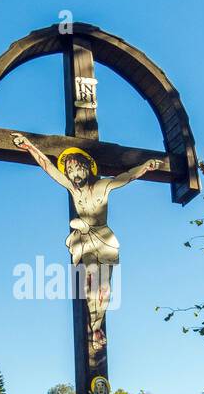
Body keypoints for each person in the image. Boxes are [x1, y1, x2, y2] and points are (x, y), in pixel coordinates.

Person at [11, 132, 162, 347]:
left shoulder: (103, 187)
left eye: (76, 168)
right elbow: (50, 168)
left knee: (104, 289)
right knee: (91, 280)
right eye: (69, 170)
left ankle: (98, 322)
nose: (73, 174)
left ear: (86, 168)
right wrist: (29, 146)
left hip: (105, 239)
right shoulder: (74, 191)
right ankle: (95, 327)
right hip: (84, 241)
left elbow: (127, 176)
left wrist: (146, 166)